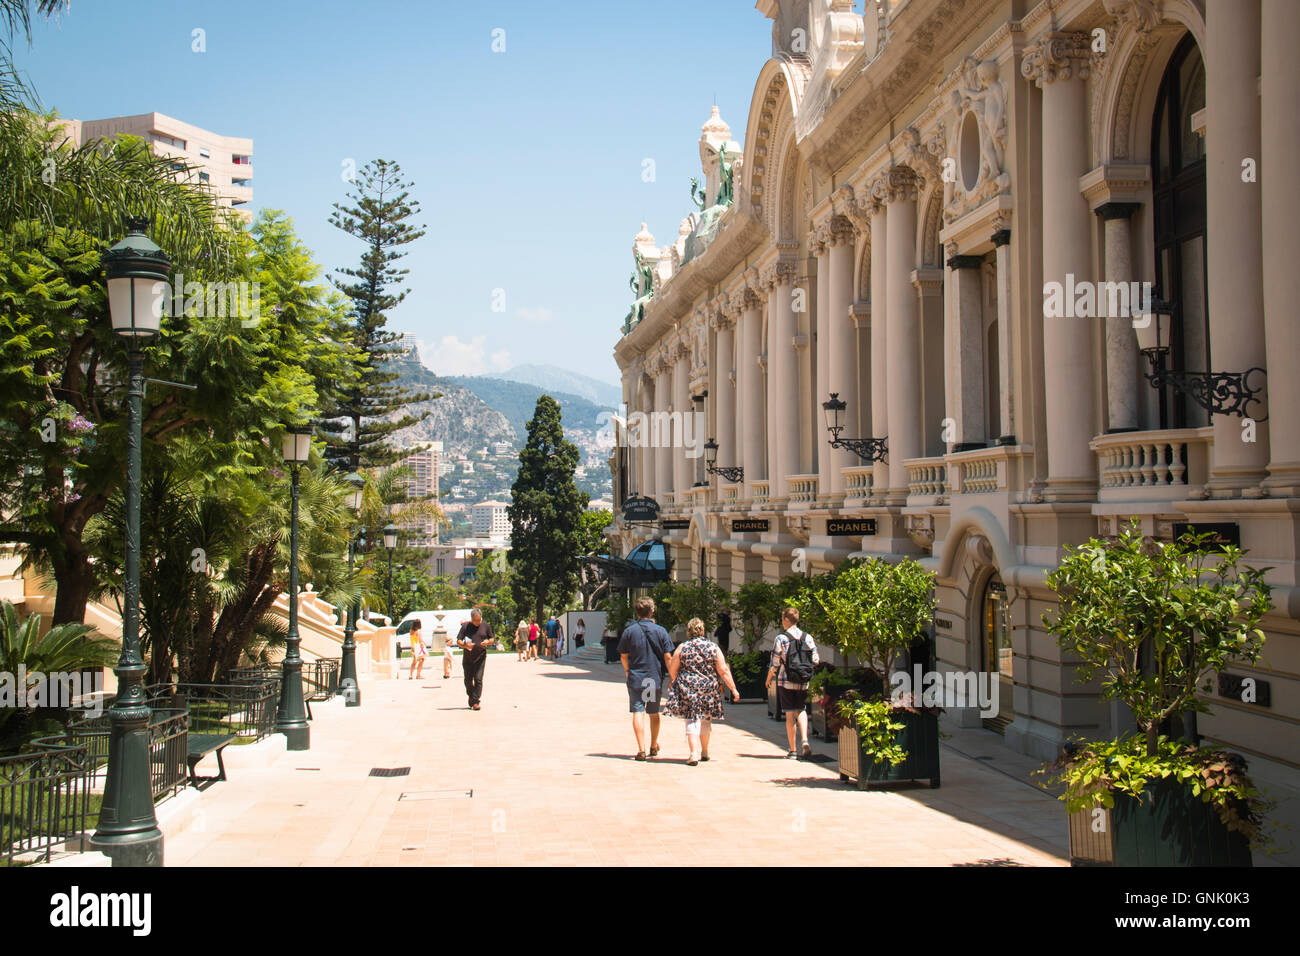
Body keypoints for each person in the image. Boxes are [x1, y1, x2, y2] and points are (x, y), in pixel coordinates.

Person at [664, 618, 740, 765]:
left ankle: (693, 754)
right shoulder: (713, 647)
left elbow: (673, 668)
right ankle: (704, 752)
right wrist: (733, 689)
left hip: (688, 687)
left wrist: (674, 681)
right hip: (708, 687)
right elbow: (723, 670)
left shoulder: (682, 647)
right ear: (703, 630)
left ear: (689, 631)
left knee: (691, 719)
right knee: (706, 720)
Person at [618, 596, 675, 761]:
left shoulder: (629, 631)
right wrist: (672, 677)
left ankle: (641, 749)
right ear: (652, 611)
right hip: (653, 677)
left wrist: (628, 670)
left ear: (637, 613)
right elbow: (668, 657)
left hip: (636, 677)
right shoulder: (660, 631)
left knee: (637, 711)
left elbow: (623, 655)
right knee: (653, 712)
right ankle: (653, 745)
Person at [765, 607, 819, 758]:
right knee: (801, 709)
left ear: (787, 620)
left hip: (786, 680)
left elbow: (775, 663)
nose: (782, 623)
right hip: (803, 680)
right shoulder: (807, 637)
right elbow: (815, 659)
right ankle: (805, 740)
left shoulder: (781, 638)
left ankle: (793, 750)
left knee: (789, 715)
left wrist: (769, 679)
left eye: (783, 620)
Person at [455, 607, 496, 710]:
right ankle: (471, 696)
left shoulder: (485, 625)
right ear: (471, 618)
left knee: (478, 679)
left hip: (480, 657)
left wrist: (488, 642)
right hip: (468, 658)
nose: (477, 622)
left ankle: (476, 701)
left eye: (479, 620)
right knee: (468, 680)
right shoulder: (465, 626)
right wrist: (465, 645)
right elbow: (458, 641)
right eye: (475, 620)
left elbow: (492, 638)